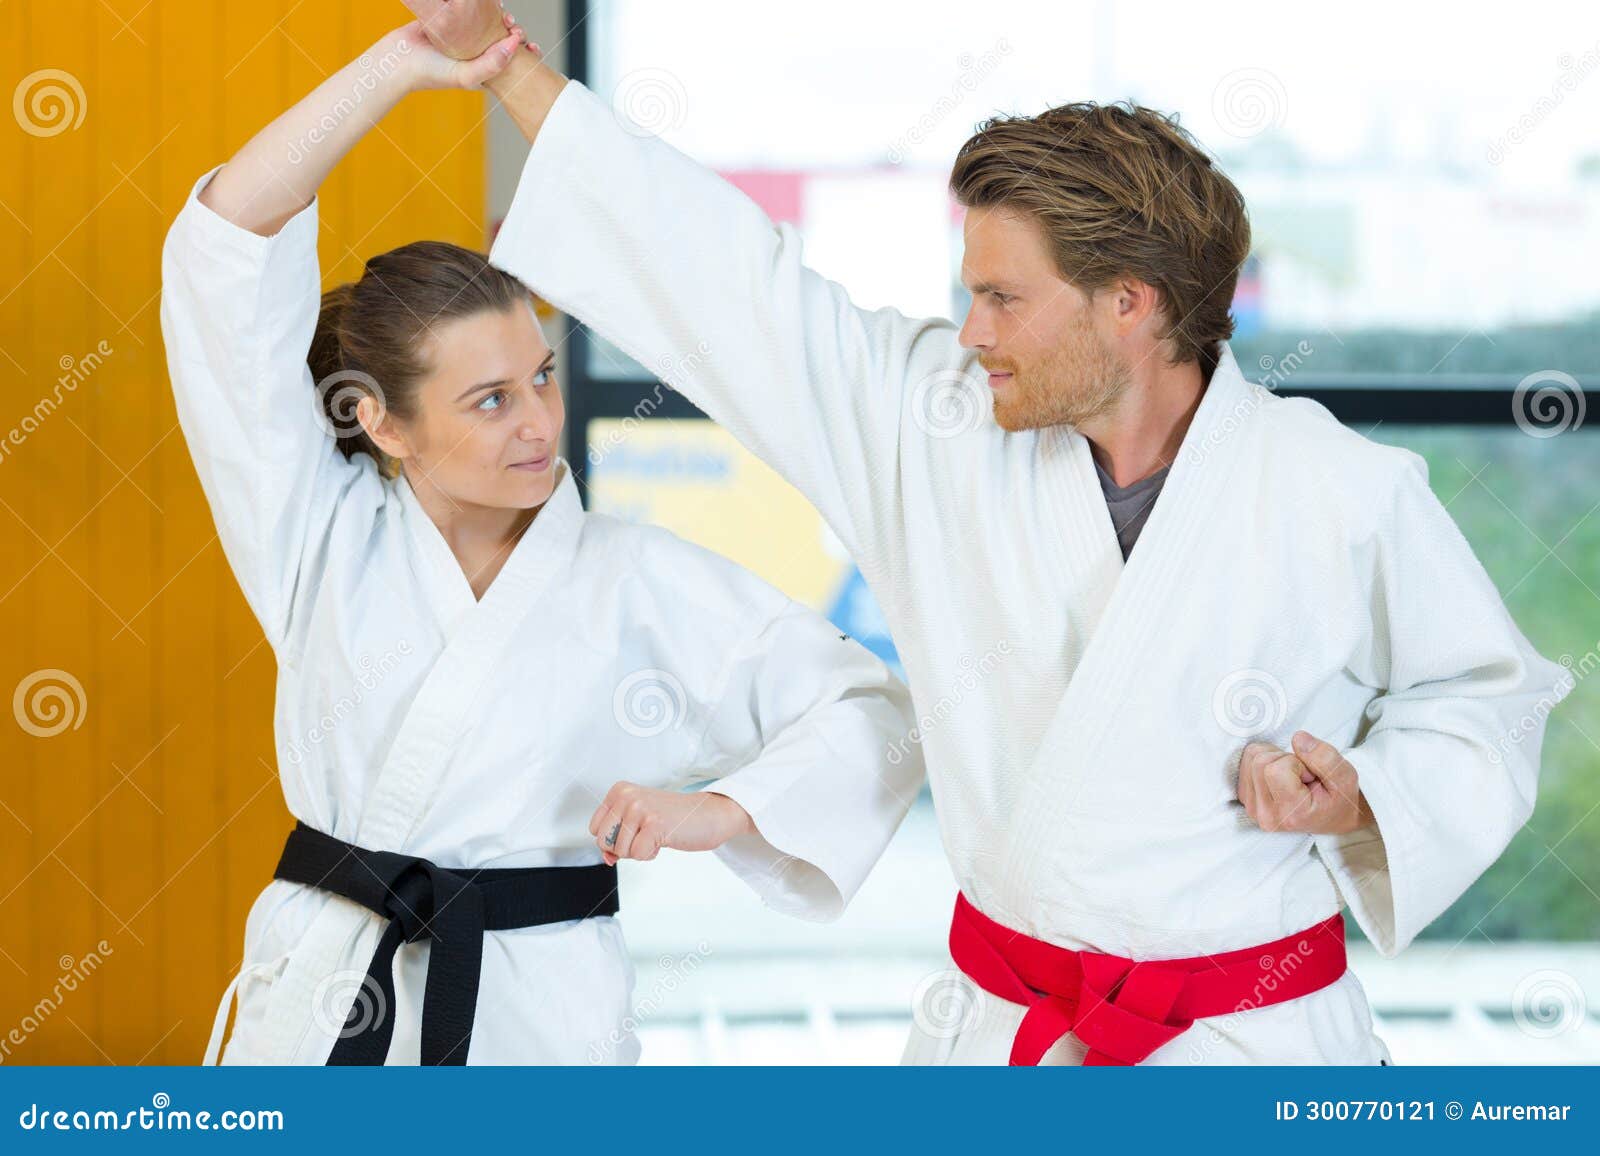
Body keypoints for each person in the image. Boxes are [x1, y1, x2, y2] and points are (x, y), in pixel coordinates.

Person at [411, 0, 1573, 1065]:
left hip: (1251, 1045)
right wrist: (503, 65)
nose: (968, 332)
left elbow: (1486, 698)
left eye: (1004, 298)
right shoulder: (937, 430)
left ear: (1131, 301)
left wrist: (1358, 789)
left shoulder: (1338, 488)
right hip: (1008, 1028)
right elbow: (729, 281)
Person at [160, 18, 923, 1066]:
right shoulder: (314, 534)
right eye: (488, 400)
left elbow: (866, 710)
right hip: (323, 1001)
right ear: (380, 420)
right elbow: (224, 250)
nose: (535, 422)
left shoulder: (638, 578)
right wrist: (398, 66)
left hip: (537, 1013)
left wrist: (718, 808)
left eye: (543, 378)